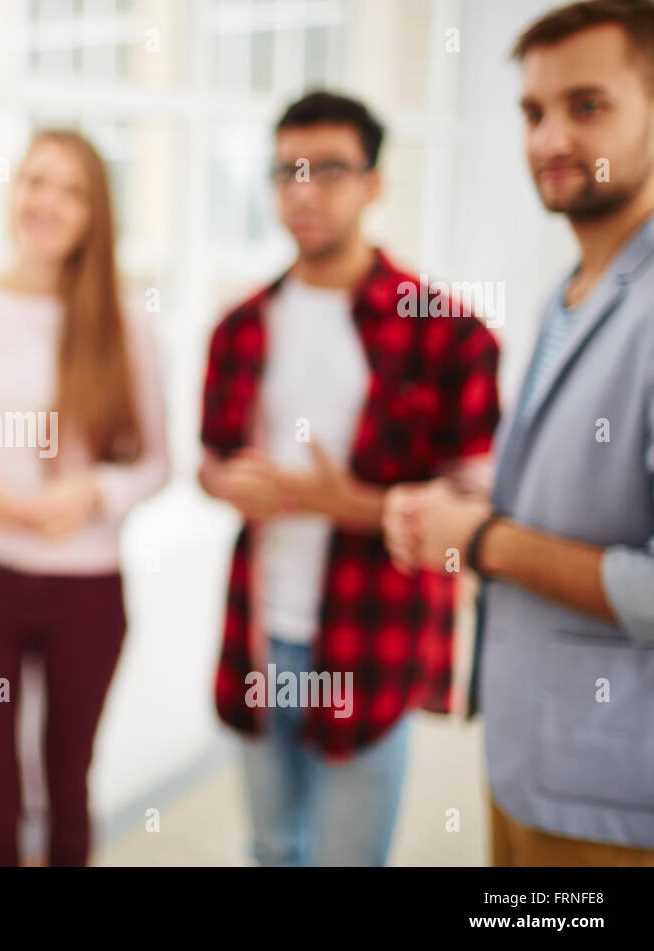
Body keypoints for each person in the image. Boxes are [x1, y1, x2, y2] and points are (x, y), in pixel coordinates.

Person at [198, 92, 502, 866]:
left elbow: (476, 510)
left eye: (328, 169)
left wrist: (350, 505)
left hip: (371, 638)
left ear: (374, 182)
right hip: (263, 629)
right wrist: (228, 483)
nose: (303, 190)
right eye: (285, 172)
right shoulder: (241, 325)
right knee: (271, 848)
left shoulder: (446, 331)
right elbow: (208, 463)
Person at [383, 0, 654, 865]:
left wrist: (485, 540)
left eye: (587, 106)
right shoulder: (571, 290)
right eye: (533, 113)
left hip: (616, 793)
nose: (547, 140)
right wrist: (460, 504)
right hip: (532, 757)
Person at [0, 129, 170, 866]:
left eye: (71, 190)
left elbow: (156, 463)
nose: (47, 202)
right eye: (35, 181)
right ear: (12, 191)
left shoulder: (123, 322)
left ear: (95, 214)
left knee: (68, 785)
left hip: (87, 589)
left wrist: (94, 491)